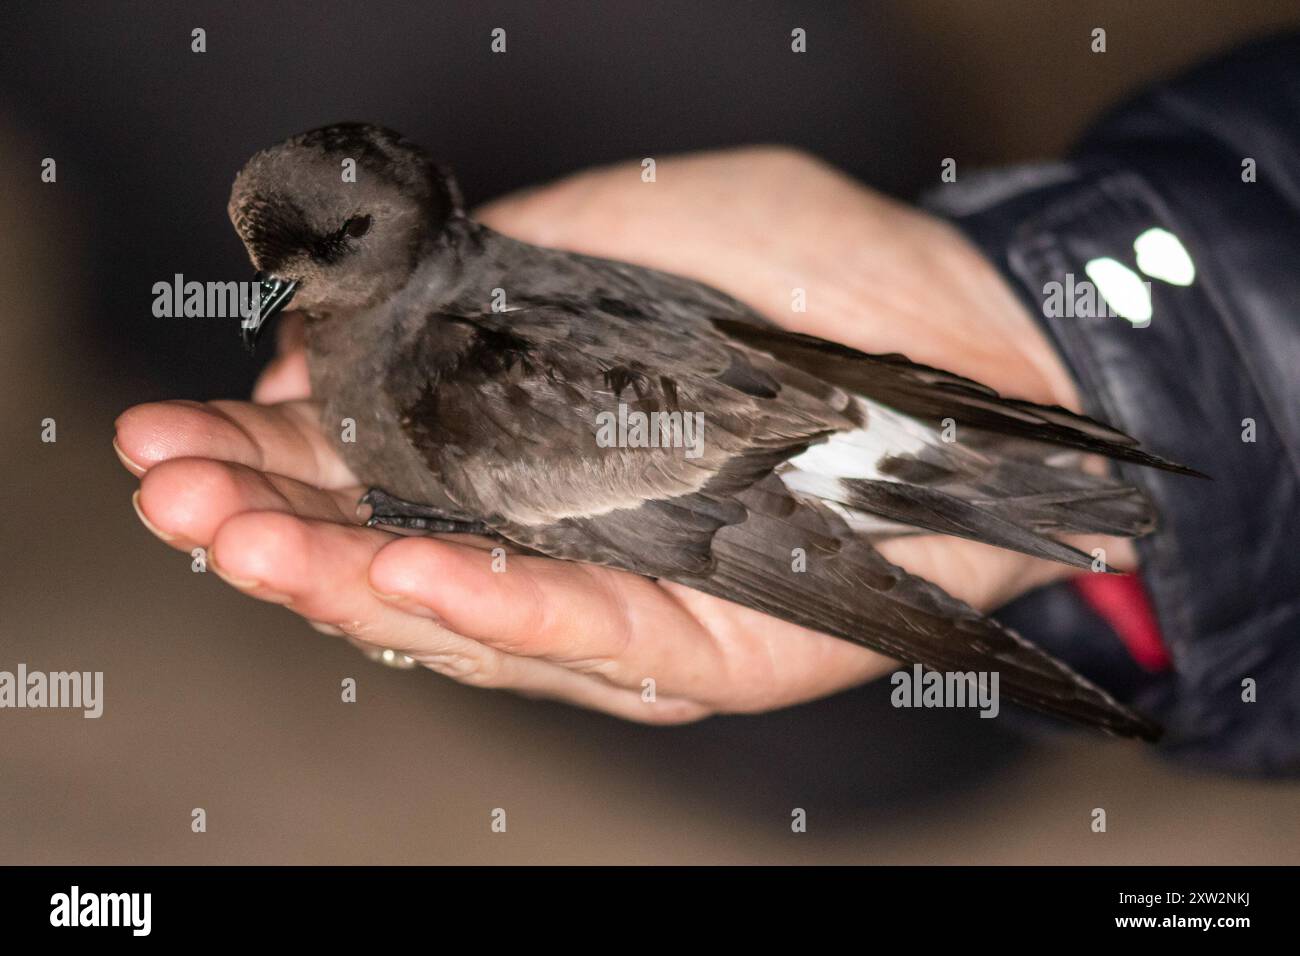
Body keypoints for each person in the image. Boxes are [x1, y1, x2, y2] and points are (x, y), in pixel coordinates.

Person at [114, 34, 1300, 773]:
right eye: (274, 260)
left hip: (771, 473)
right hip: (803, 420)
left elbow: (698, 477)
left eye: (324, 251)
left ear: (414, 214)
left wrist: (463, 506)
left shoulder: (448, 376)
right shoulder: (487, 281)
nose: (284, 287)